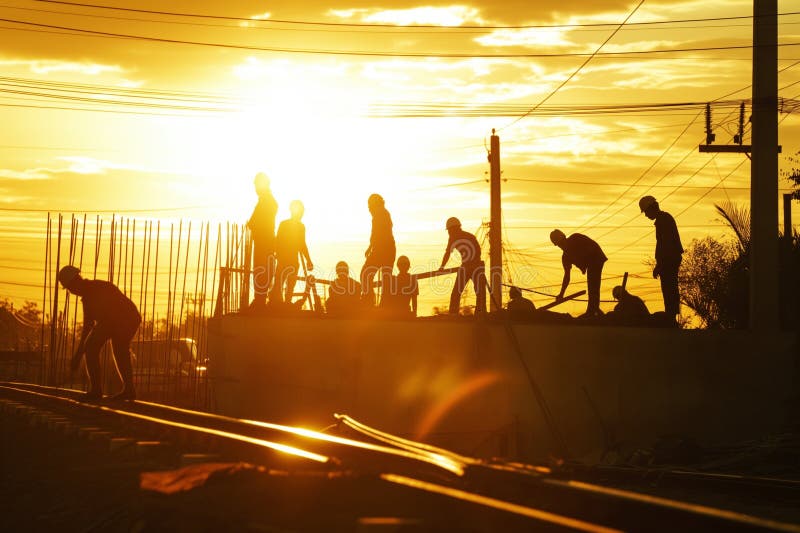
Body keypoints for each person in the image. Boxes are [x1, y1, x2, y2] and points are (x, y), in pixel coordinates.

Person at [57, 265, 140, 401]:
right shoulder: (88, 297)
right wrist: (78, 354)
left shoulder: (98, 289)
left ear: (75, 282)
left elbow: (97, 324)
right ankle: (100, 390)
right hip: (113, 321)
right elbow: (88, 328)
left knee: (118, 348)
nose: (71, 292)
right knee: (93, 347)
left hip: (126, 317)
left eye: (70, 288)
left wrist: (79, 355)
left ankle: (123, 390)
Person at [639, 196, 683, 320]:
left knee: (669, 287)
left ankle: (671, 316)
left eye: (646, 212)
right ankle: (671, 315)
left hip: (669, 259)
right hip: (669, 259)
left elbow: (665, 245)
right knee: (669, 287)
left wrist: (660, 265)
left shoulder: (664, 220)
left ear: (651, 208)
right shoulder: (663, 219)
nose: (646, 215)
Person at [550, 229, 607, 318]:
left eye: (562, 243)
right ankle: (594, 309)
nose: (562, 246)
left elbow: (592, 247)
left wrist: (584, 263)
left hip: (596, 257)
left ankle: (592, 310)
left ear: (565, 238)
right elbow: (567, 276)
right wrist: (561, 294)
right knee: (592, 286)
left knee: (593, 285)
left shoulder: (575, 238)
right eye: (559, 245)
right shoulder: (565, 257)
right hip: (591, 263)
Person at [439, 217, 487, 315]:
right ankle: (480, 312)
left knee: (458, 292)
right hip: (473, 265)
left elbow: (448, 253)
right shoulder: (468, 236)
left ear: (453, 229)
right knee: (479, 292)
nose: (448, 232)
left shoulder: (454, 237)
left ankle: (454, 313)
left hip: (472, 265)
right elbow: (478, 251)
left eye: (449, 230)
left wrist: (442, 267)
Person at [270, 200, 313, 305]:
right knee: (280, 284)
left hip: (290, 260)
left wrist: (308, 260)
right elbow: (278, 241)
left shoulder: (298, 226)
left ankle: (285, 302)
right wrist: (277, 254)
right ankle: (277, 302)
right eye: (301, 212)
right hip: (285, 260)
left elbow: (302, 244)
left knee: (287, 284)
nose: (302, 214)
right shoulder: (285, 224)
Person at [246, 172, 278, 309]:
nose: (255, 187)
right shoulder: (266, 200)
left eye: (256, 184)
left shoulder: (267, 201)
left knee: (262, 269)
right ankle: (260, 299)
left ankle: (260, 300)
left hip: (264, 241)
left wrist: (253, 224)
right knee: (263, 270)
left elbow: (254, 221)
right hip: (265, 241)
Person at [360, 193, 396, 307]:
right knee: (386, 278)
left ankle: (369, 301)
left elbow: (378, 234)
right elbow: (377, 234)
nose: (369, 209)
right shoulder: (382, 213)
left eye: (370, 206)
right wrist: (370, 247)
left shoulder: (380, 214)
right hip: (386, 249)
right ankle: (383, 305)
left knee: (365, 274)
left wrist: (373, 247)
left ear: (374, 204)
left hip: (383, 249)